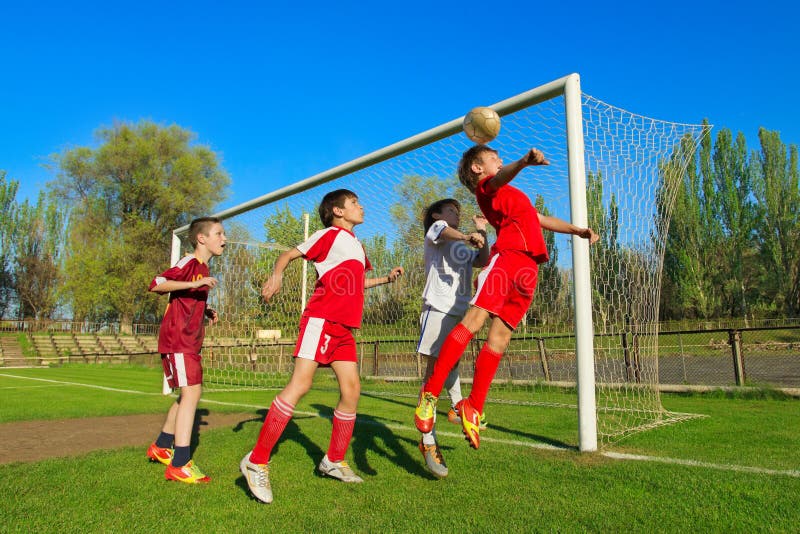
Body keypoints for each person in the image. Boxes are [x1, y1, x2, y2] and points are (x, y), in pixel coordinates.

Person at [414, 145, 599, 450]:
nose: (500, 161)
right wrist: (524, 161)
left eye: (501, 158)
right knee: (474, 321)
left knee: (500, 339)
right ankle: (430, 393)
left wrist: (578, 230)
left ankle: (473, 406)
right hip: (508, 259)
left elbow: (540, 218)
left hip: (529, 267)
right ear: (477, 169)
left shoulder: (515, 197)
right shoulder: (488, 189)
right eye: (493, 158)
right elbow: (499, 179)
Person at [240, 189, 404, 504]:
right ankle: (256, 461)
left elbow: (357, 283)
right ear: (337, 211)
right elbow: (288, 255)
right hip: (322, 320)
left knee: (352, 390)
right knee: (300, 385)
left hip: (343, 328)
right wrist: (276, 276)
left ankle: (333, 460)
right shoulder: (328, 235)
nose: (361, 206)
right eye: (354, 203)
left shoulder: (356, 246)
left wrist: (385, 279)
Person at [146, 216, 227, 483]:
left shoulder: (202, 268)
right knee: (192, 393)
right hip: (178, 339)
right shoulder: (189, 263)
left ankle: (162, 446)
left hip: (189, 341)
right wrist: (193, 284)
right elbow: (157, 284)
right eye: (219, 234)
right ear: (201, 238)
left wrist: (206, 309)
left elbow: (186, 301)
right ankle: (180, 464)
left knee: (187, 395)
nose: (224, 239)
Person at [416, 198, 489, 477]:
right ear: (437, 215)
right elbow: (445, 230)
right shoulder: (437, 231)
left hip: (459, 312)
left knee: (450, 365)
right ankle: (428, 440)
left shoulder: (461, 244)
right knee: (433, 372)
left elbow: (482, 260)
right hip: (437, 308)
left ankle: (458, 408)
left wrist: (482, 232)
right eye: (450, 210)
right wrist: (467, 235)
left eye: (457, 211)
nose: (455, 213)